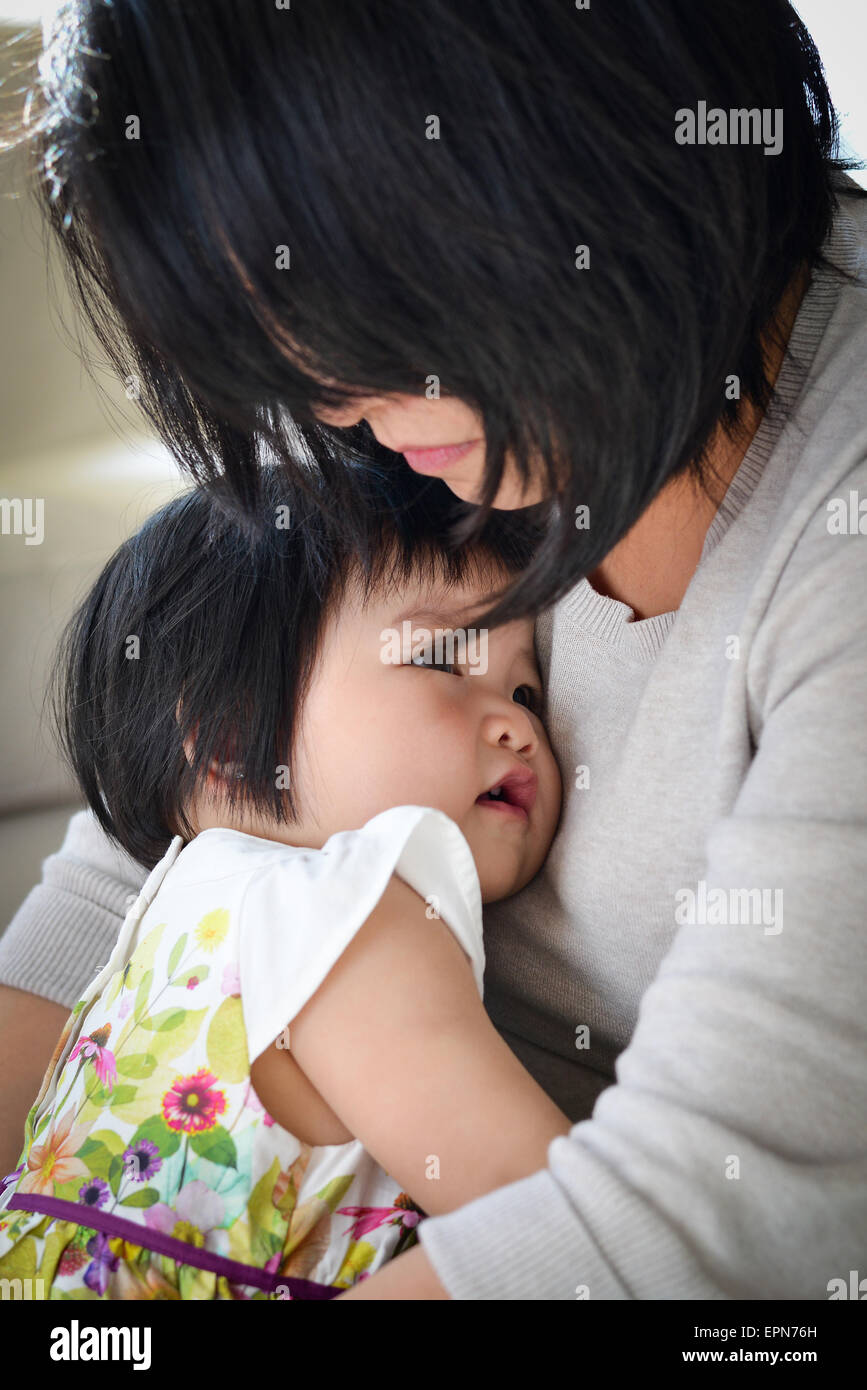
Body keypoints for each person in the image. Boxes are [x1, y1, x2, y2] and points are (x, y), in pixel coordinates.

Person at [1, 1, 865, 1298]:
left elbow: (690, 1230)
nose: (320, 402)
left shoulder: (829, 525)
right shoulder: (394, 429)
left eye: (336, 313)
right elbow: (145, 845)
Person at [0, 464, 572, 1298]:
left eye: (526, 688)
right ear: (232, 740)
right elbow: (552, 1227)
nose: (517, 721)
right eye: (443, 659)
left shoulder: (176, 904)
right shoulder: (351, 910)